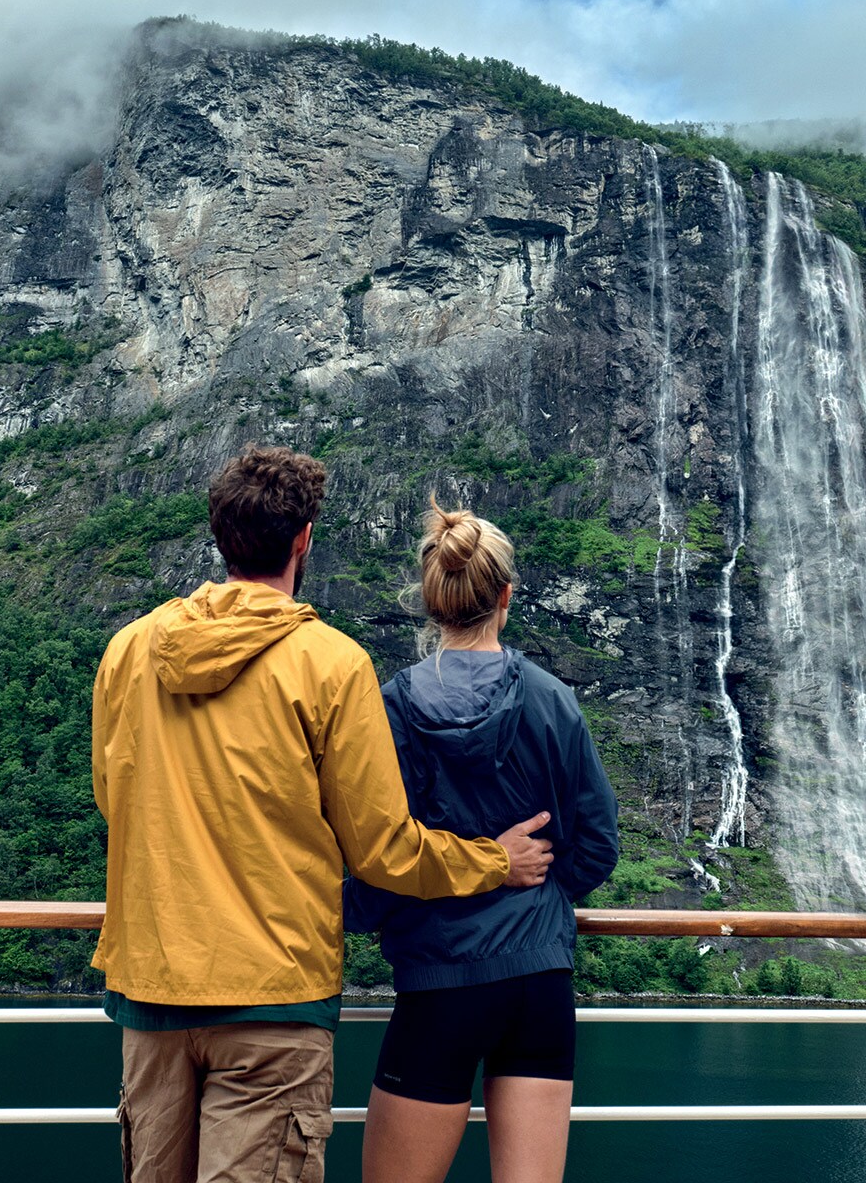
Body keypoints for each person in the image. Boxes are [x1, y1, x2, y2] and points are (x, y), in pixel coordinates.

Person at [92, 446, 556, 1183]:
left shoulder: (129, 651)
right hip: (275, 1000)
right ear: (304, 539)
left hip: (151, 992)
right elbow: (382, 850)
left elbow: (113, 797)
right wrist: (495, 861)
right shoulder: (331, 663)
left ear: (219, 535)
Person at [347, 498, 620, 1183]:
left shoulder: (392, 707)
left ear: (431, 603)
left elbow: (378, 858)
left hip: (440, 980)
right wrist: (532, 891)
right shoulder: (552, 699)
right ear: (505, 595)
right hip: (538, 982)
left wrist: (365, 912)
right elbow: (597, 844)